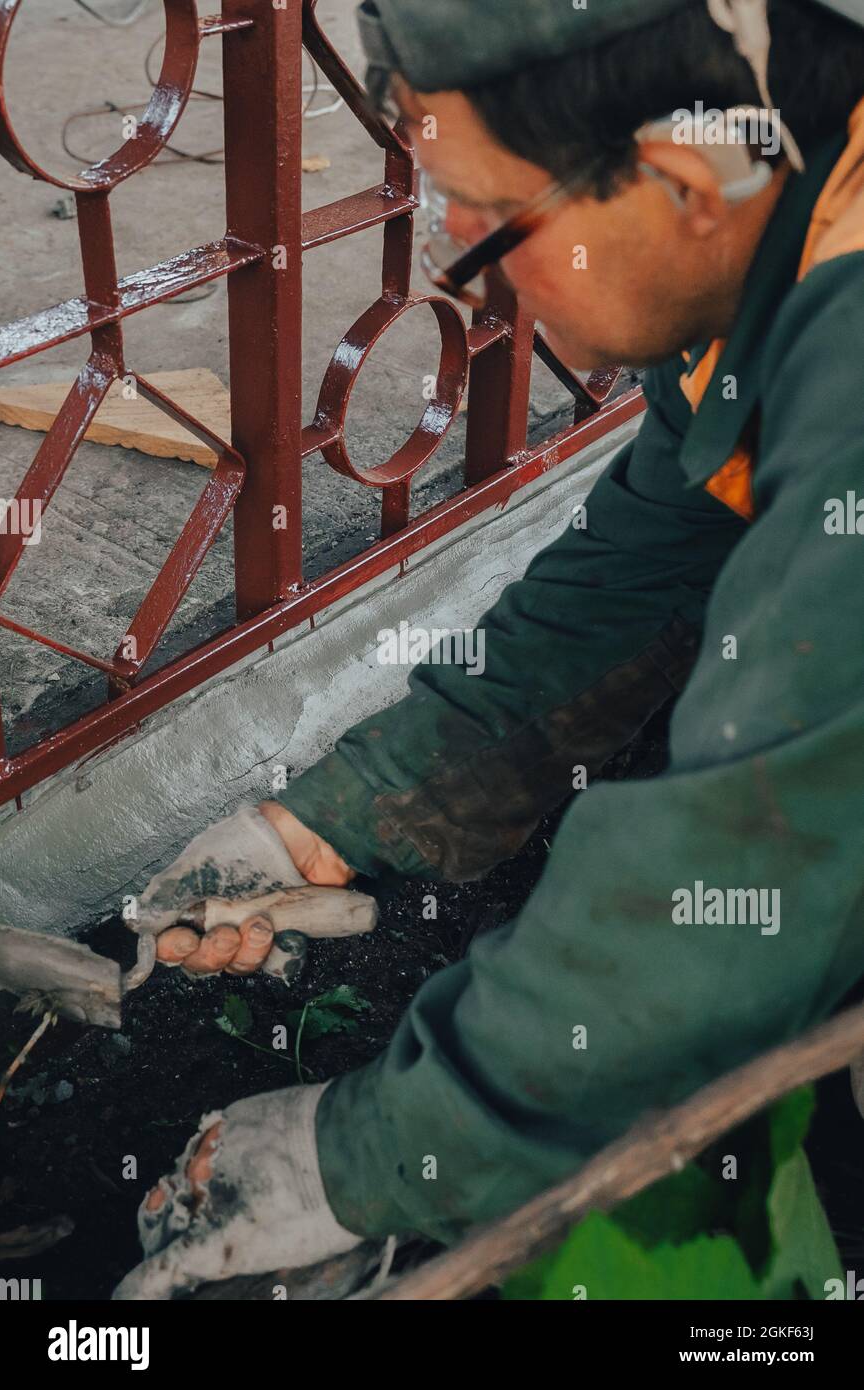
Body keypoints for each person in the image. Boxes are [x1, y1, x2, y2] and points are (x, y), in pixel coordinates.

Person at [114, 0, 864, 1299]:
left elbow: (747, 860)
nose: (456, 254)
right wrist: (325, 824)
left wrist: (363, 1160)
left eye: (488, 220)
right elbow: (637, 566)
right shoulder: (787, 233)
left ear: (683, 180)